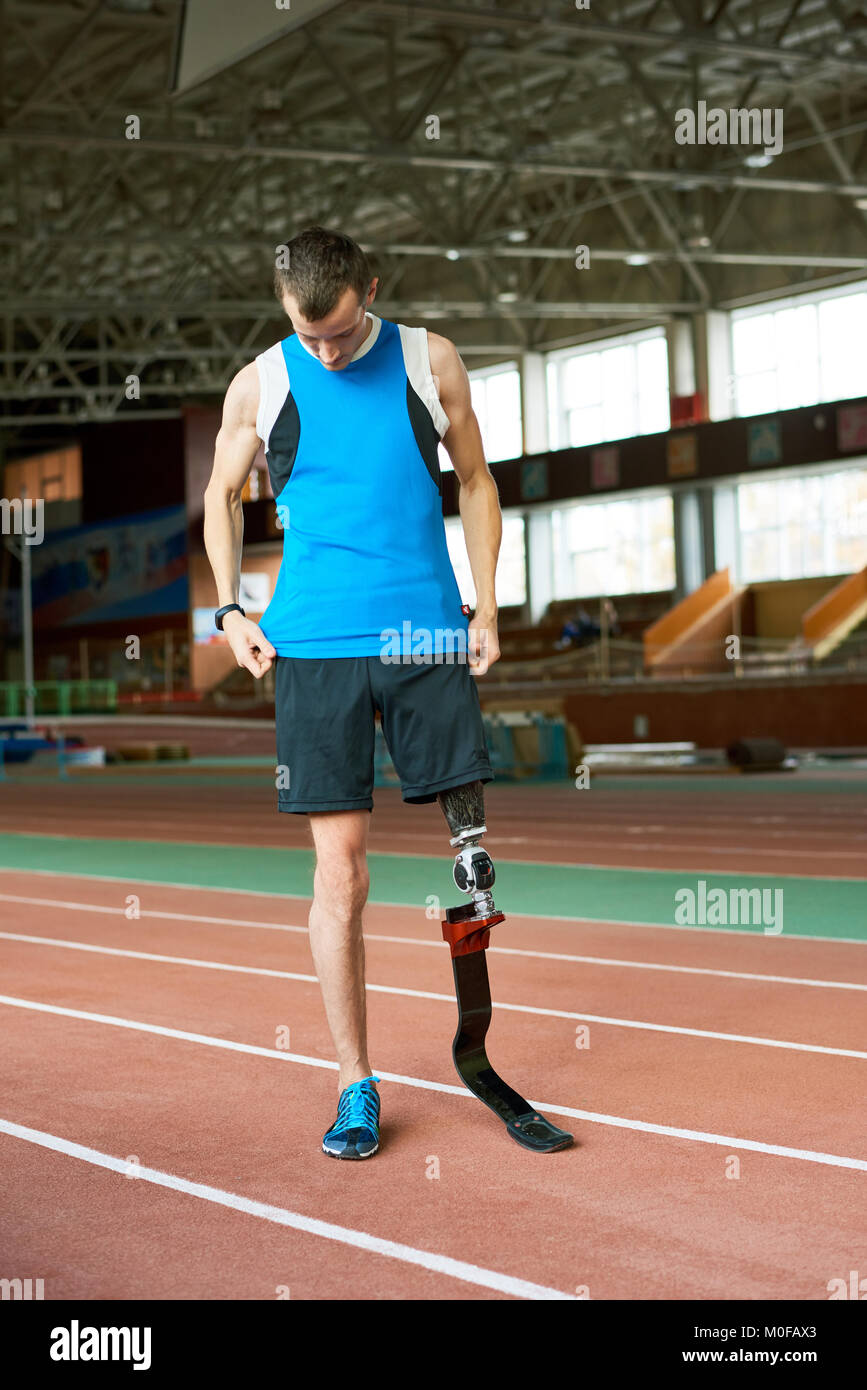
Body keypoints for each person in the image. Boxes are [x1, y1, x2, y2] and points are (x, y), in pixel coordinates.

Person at [203, 227, 502, 1160]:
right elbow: (219, 498)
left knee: (470, 853)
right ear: (285, 305)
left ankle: (473, 985)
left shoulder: (428, 358)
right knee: (341, 875)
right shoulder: (263, 380)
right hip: (315, 648)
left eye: (338, 330)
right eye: (309, 331)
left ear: (368, 288)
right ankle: (355, 1083)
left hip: (424, 631)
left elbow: (479, 483)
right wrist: (229, 612)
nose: (326, 349)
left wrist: (486, 602)